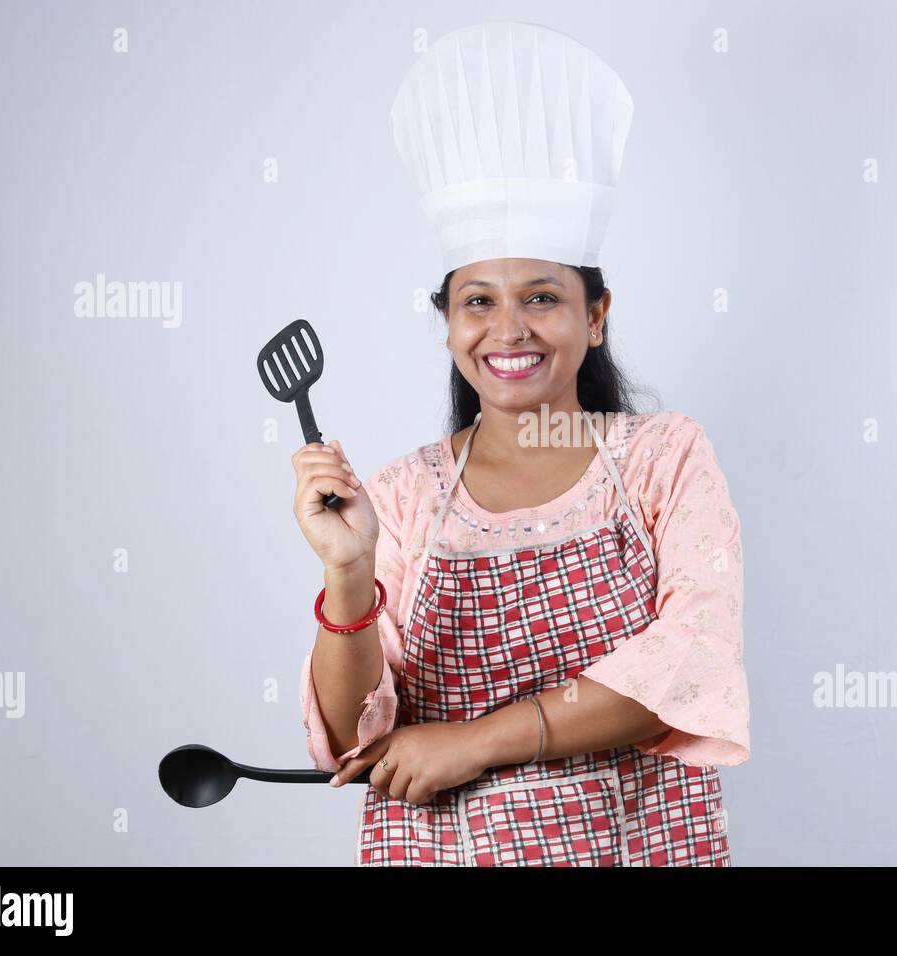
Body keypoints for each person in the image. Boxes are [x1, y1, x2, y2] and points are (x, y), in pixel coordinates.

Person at [294, 22, 750, 866]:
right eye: (478, 302)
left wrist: (474, 742)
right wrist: (349, 571)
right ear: (447, 325)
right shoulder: (402, 496)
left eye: (542, 297)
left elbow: (686, 666)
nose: (509, 330)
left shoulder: (662, 460)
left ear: (595, 316)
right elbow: (358, 733)